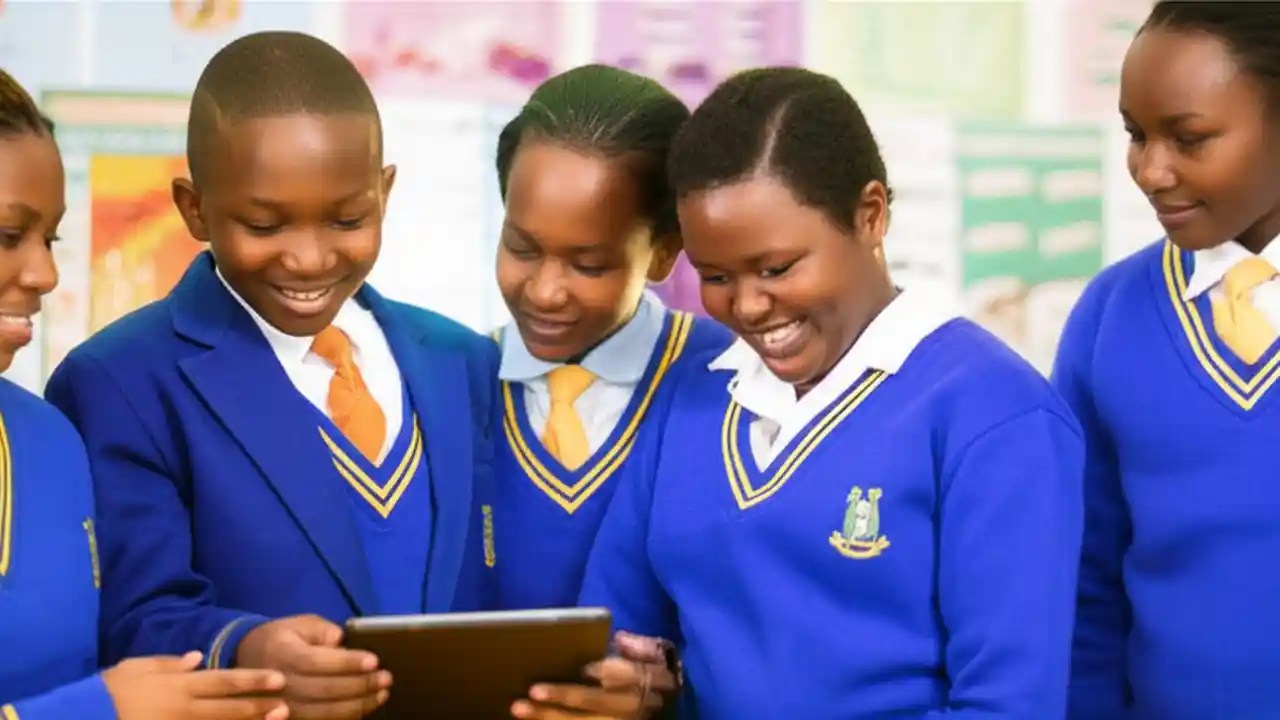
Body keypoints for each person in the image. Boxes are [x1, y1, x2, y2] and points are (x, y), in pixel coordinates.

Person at [531, 67, 1085, 719]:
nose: (748, 305)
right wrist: (638, 689)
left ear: (870, 215)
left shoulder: (995, 416)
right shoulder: (693, 393)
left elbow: (1006, 704)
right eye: (715, 276)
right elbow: (613, 641)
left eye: (777, 268)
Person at [43, 31, 500, 719]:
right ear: (193, 210)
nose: (309, 259)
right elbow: (131, 620)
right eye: (263, 225)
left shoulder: (461, 361)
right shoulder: (120, 383)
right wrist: (245, 647)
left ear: (386, 191)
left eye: (348, 218)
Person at [0, 67, 288, 720]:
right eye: (6, 236)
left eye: (51, 238)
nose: (44, 273)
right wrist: (101, 711)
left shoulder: (50, 442)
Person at [1056, 3, 1280, 718]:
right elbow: (1084, 582)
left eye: (1189, 138)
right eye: (1135, 134)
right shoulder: (1110, 316)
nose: (1151, 170)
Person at [490, 63, 731, 610]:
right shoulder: (452, 383)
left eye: (590, 265)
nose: (546, 291)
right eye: (522, 249)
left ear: (665, 253)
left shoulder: (729, 383)